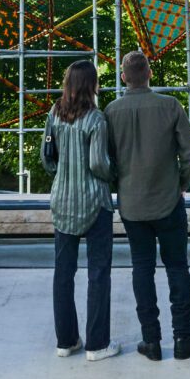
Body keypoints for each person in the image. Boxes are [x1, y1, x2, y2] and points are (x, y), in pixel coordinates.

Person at [105, 50, 190, 362]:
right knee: (177, 267)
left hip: (132, 206)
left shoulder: (111, 111)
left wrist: (117, 184)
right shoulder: (170, 105)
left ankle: (151, 341)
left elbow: (104, 161)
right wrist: (181, 183)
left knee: (142, 268)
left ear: (124, 77)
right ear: (149, 74)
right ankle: (183, 338)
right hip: (169, 202)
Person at [41, 60, 119, 362]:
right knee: (98, 273)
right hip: (94, 203)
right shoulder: (96, 119)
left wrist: (61, 173)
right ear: (91, 85)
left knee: (63, 273)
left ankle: (66, 340)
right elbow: (99, 164)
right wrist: (114, 175)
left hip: (62, 202)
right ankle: (97, 345)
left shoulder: (54, 113)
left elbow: (46, 158)